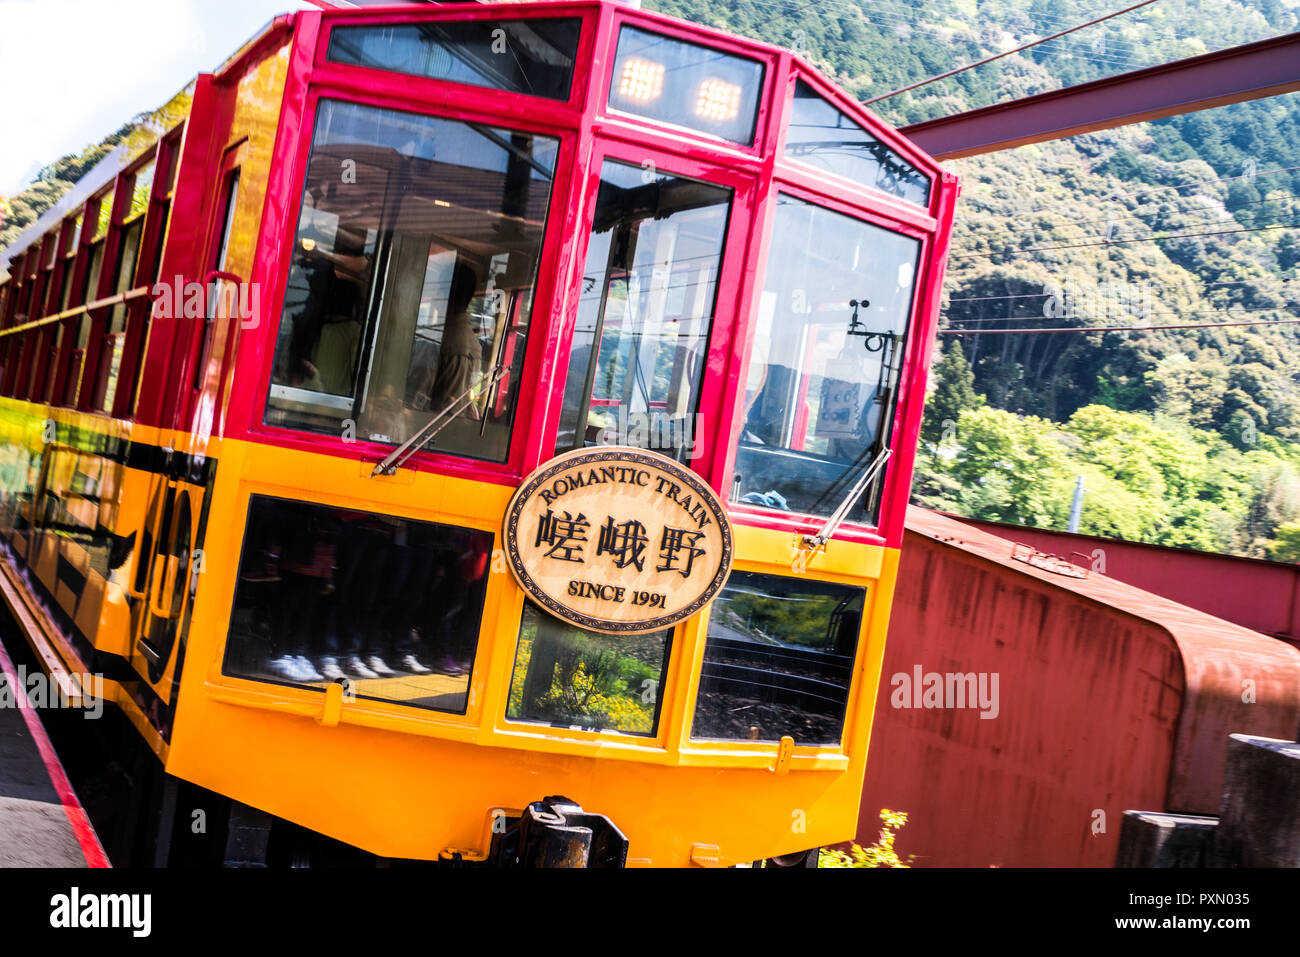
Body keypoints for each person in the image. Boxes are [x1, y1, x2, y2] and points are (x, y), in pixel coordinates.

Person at [426, 260, 483, 417]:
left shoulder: (440, 338)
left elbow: (419, 394)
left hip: (429, 425)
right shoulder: (475, 344)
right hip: (456, 426)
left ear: (444, 293)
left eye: (439, 288)